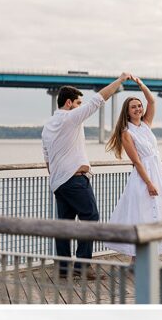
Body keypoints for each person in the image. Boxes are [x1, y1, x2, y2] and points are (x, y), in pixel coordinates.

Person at [41, 73, 131, 277]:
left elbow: (47, 159)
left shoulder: (48, 126)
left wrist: (59, 175)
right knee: (91, 217)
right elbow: (99, 99)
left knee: (64, 225)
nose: (81, 106)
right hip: (74, 180)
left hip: (58, 182)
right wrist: (120, 80)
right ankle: (82, 266)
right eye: (78, 102)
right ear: (69, 102)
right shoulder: (70, 118)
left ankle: (64, 268)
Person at [101, 77, 162, 256]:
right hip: (144, 176)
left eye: (139, 106)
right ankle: (137, 258)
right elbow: (137, 162)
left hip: (157, 172)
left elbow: (152, 100)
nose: (138, 109)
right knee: (143, 214)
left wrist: (140, 84)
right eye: (133, 107)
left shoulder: (146, 124)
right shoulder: (127, 133)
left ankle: (148, 257)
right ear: (127, 112)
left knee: (158, 211)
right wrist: (149, 183)